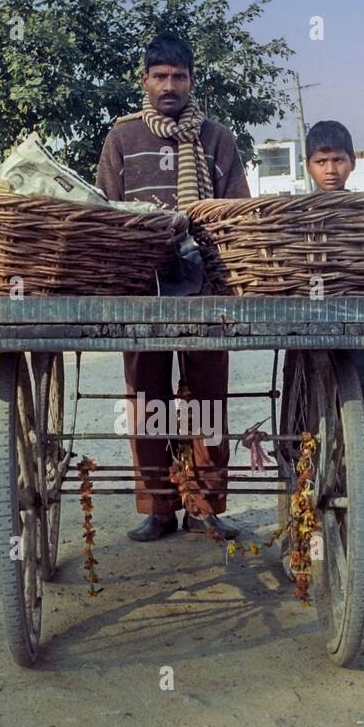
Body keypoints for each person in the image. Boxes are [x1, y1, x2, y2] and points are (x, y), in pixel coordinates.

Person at [96, 33, 250, 542]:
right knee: (147, 399)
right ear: (144, 81)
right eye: (159, 76)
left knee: (208, 400)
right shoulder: (121, 139)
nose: (169, 85)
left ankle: (204, 506)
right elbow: (106, 216)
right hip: (143, 287)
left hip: (207, 287)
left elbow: (238, 221)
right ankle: (159, 507)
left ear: (191, 81)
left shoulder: (218, 139)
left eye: (178, 76)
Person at [305, 120, 364, 508]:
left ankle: (362, 497)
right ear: (308, 166)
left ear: (353, 163)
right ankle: (306, 483)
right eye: (321, 161)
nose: (330, 169)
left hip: (355, 318)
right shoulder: (296, 214)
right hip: (310, 321)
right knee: (306, 405)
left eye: (338, 160)